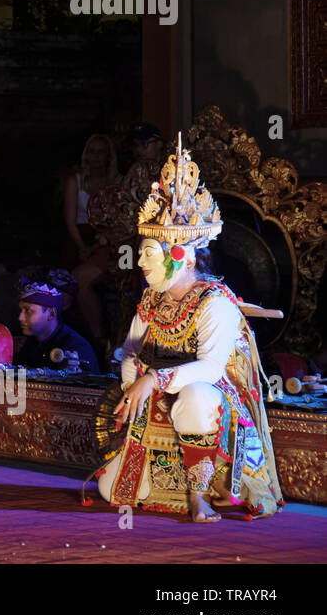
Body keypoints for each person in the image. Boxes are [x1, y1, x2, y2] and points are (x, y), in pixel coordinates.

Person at [96, 136, 282, 522]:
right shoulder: (152, 299)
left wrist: (154, 381)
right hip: (161, 393)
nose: (141, 263)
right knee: (109, 489)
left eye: (149, 255)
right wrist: (136, 384)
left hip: (213, 402)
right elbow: (130, 349)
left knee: (195, 396)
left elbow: (211, 370)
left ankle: (199, 494)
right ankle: (174, 487)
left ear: (181, 256)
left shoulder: (215, 301)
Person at [63, 134, 117, 348]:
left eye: (101, 152)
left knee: (81, 279)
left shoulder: (118, 181)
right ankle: (77, 340)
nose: (96, 157)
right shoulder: (75, 180)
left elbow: (119, 220)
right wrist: (83, 247)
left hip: (108, 240)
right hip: (79, 238)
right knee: (67, 283)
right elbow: (69, 219)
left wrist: (98, 244)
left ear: (108, 156)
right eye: (92, 151)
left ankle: (98, 339)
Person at [14, 278, 101, 373]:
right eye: (21, 310)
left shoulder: (75, 347)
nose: (20, 317)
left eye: (28, 311)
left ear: (51, 314)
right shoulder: (30, 343)